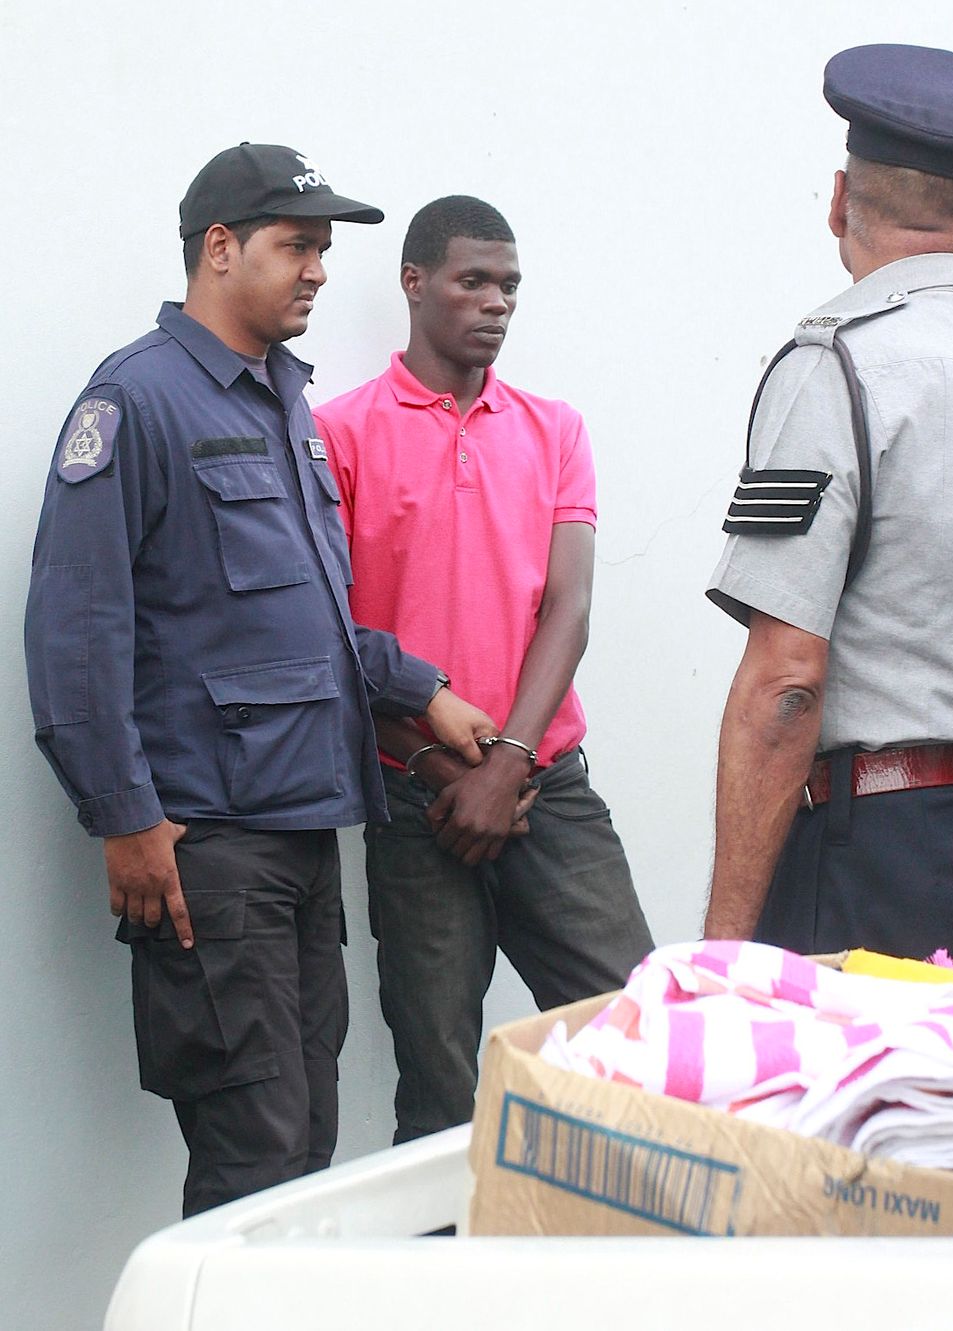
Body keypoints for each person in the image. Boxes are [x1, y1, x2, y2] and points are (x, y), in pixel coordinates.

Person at [24, 144, 495, 1216]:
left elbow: (305, 623)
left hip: (300, 833)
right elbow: (74, 631)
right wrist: (124, 816)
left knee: (306, 1140)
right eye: (297, 245)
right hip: (207, 846)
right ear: (220, 249)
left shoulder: (283, 404)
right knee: (258, 1152)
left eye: (324, 249)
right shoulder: (137, 401)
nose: (319, 270)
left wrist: (421, 689)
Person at [313, 196, 654, 1142]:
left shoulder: (555, 428)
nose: (496, 302)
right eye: (473, 281)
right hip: (414, 796)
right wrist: (435, 764)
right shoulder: (337, 434)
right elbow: (329, 634)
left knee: (638, 1041)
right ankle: (450, 1245)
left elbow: (569, 608)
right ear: (414, 283)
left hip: (546, 786)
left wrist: (507, 764)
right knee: (437, 1088)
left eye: (509, 285)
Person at [704, 45, 953, 962]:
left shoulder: (835, 367)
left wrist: (723, 957)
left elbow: (786, 682)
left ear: (840, 201)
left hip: (876, 860)